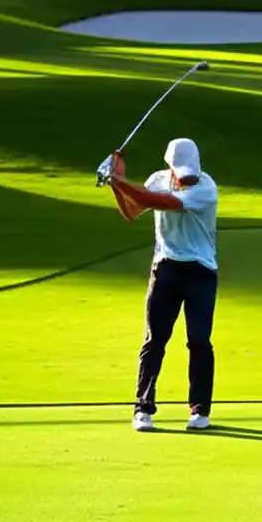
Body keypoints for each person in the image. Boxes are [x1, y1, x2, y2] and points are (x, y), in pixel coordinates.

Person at [102, 138, 219, 432]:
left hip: (201, 271)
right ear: (169, 164)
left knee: (199, 341)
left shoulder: (206, 188)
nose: (185, 175)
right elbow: (132, 211)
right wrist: (116, 185)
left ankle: (200, 411)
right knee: (154, 340)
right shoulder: (157, 179)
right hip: (165, 269)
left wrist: (119, 180)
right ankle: (143, 409)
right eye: (180, 170)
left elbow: (155, 202)